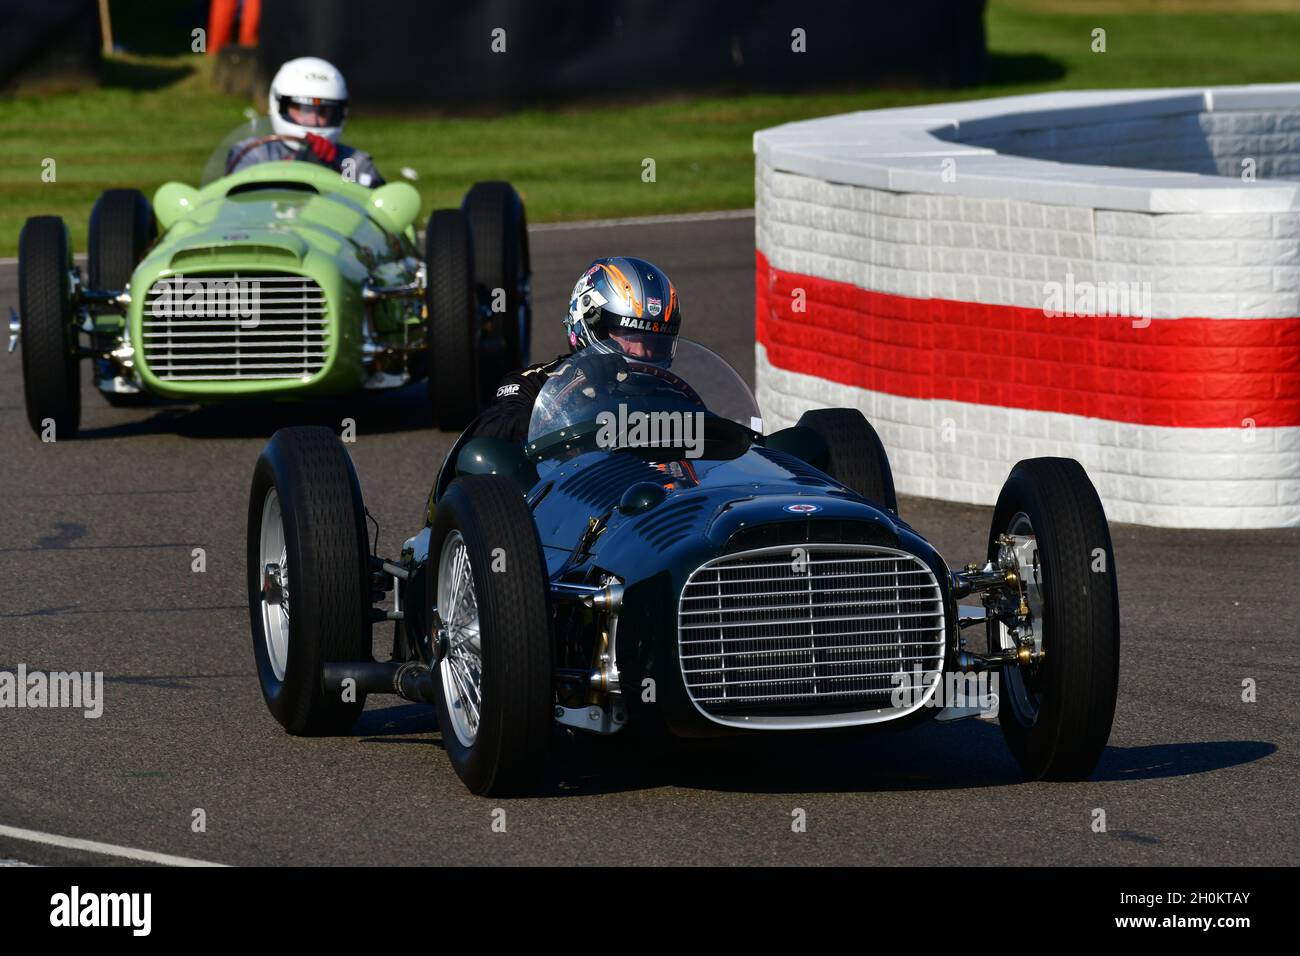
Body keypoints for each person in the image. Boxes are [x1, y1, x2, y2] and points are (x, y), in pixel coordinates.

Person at [472, 256, 682, 443]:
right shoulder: (533, 384)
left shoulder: (672, 396)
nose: (642, 352)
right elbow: (490, 433)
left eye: (655, 342)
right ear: (589, 322)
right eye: (629, 336)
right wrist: (569, 402)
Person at [227, 57, 384, 187]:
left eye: (323, 112)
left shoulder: (353, 163)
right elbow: (241, 207)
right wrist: (299, 166)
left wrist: (334, 170)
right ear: (280, 106)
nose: (312, 120)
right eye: (303, 110)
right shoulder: (254, 154)